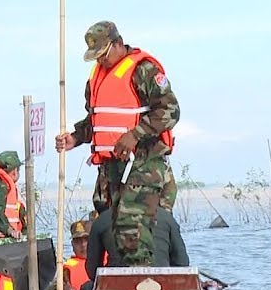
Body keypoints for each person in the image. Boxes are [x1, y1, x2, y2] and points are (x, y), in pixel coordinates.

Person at [55, 20, 180, 267]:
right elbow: (97, 120)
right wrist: (75, 138)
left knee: (132, 226)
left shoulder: (143, 70)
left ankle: (145, 277)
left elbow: (170, 110)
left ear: (118, 43)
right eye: (97, 56)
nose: (101, 60)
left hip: (143, 163)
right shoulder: (97, 78)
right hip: (111, 169)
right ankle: (120, 277)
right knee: (111, 228)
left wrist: (135, 134)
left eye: (104, 54)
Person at [86, 204, 189, 270]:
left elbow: (92, 270)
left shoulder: (102, 220)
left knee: (87, 288)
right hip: (162, 286)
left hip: (117, 288)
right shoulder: (167, 218)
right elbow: (182, 263)